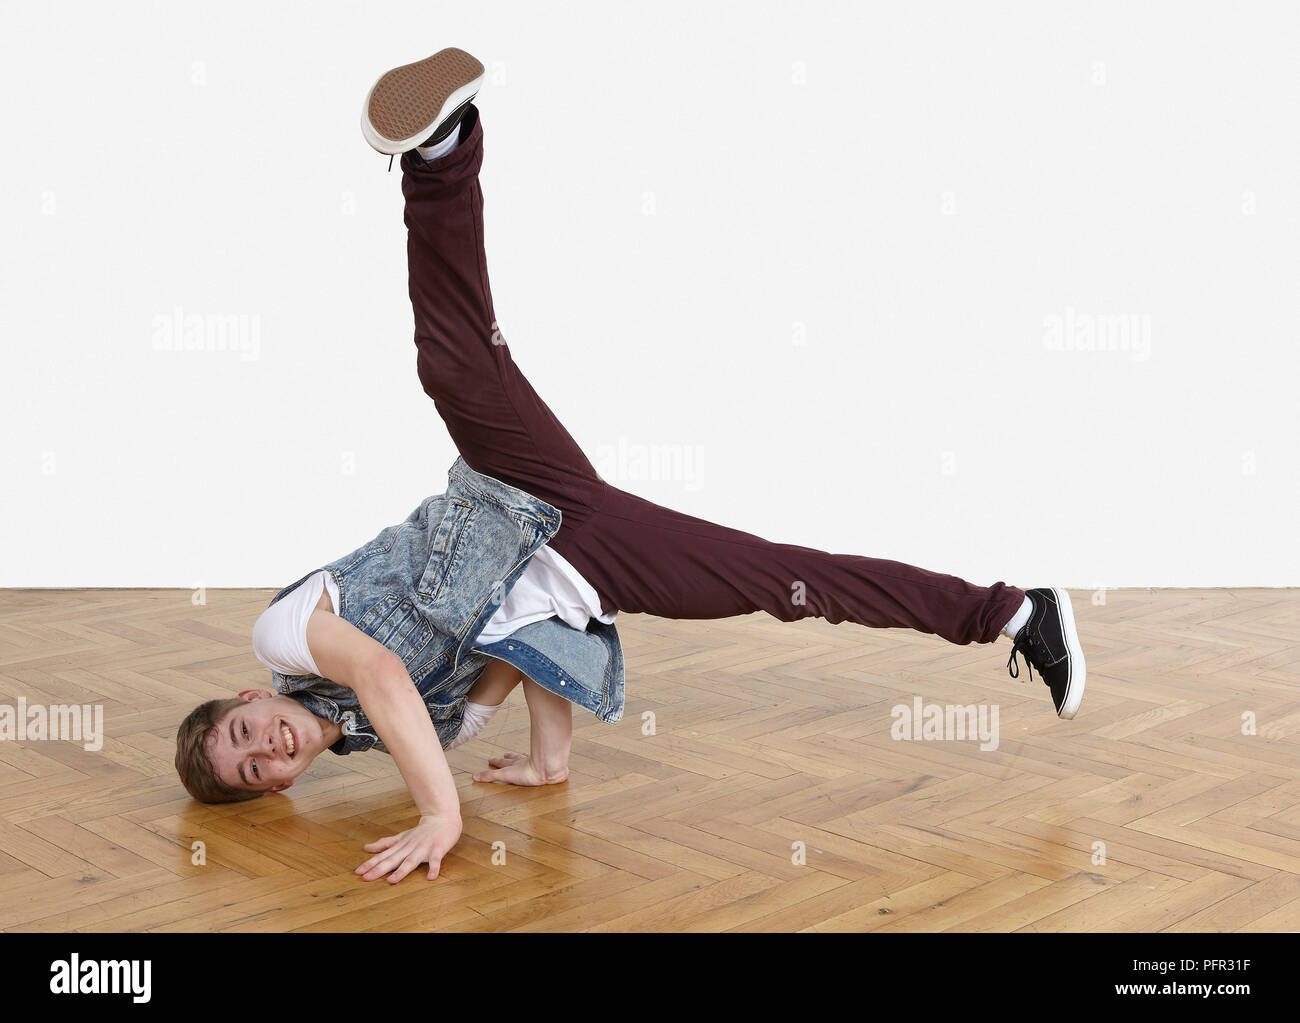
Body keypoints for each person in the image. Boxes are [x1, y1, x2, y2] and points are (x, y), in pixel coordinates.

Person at [174, 46, 1086, 884]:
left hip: (515, 487)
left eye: (246, 730)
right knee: (792, 580)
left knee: (454, 364)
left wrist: (441, 812)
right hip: (589, 557)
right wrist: (549, 755)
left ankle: (441, 151)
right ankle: (1015, 611)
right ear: (280, 788)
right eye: (257, 769)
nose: (268, 745)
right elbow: (514, 641)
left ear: (250, 696)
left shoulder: (284, 635)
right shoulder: (382, 735)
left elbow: (379, 670)